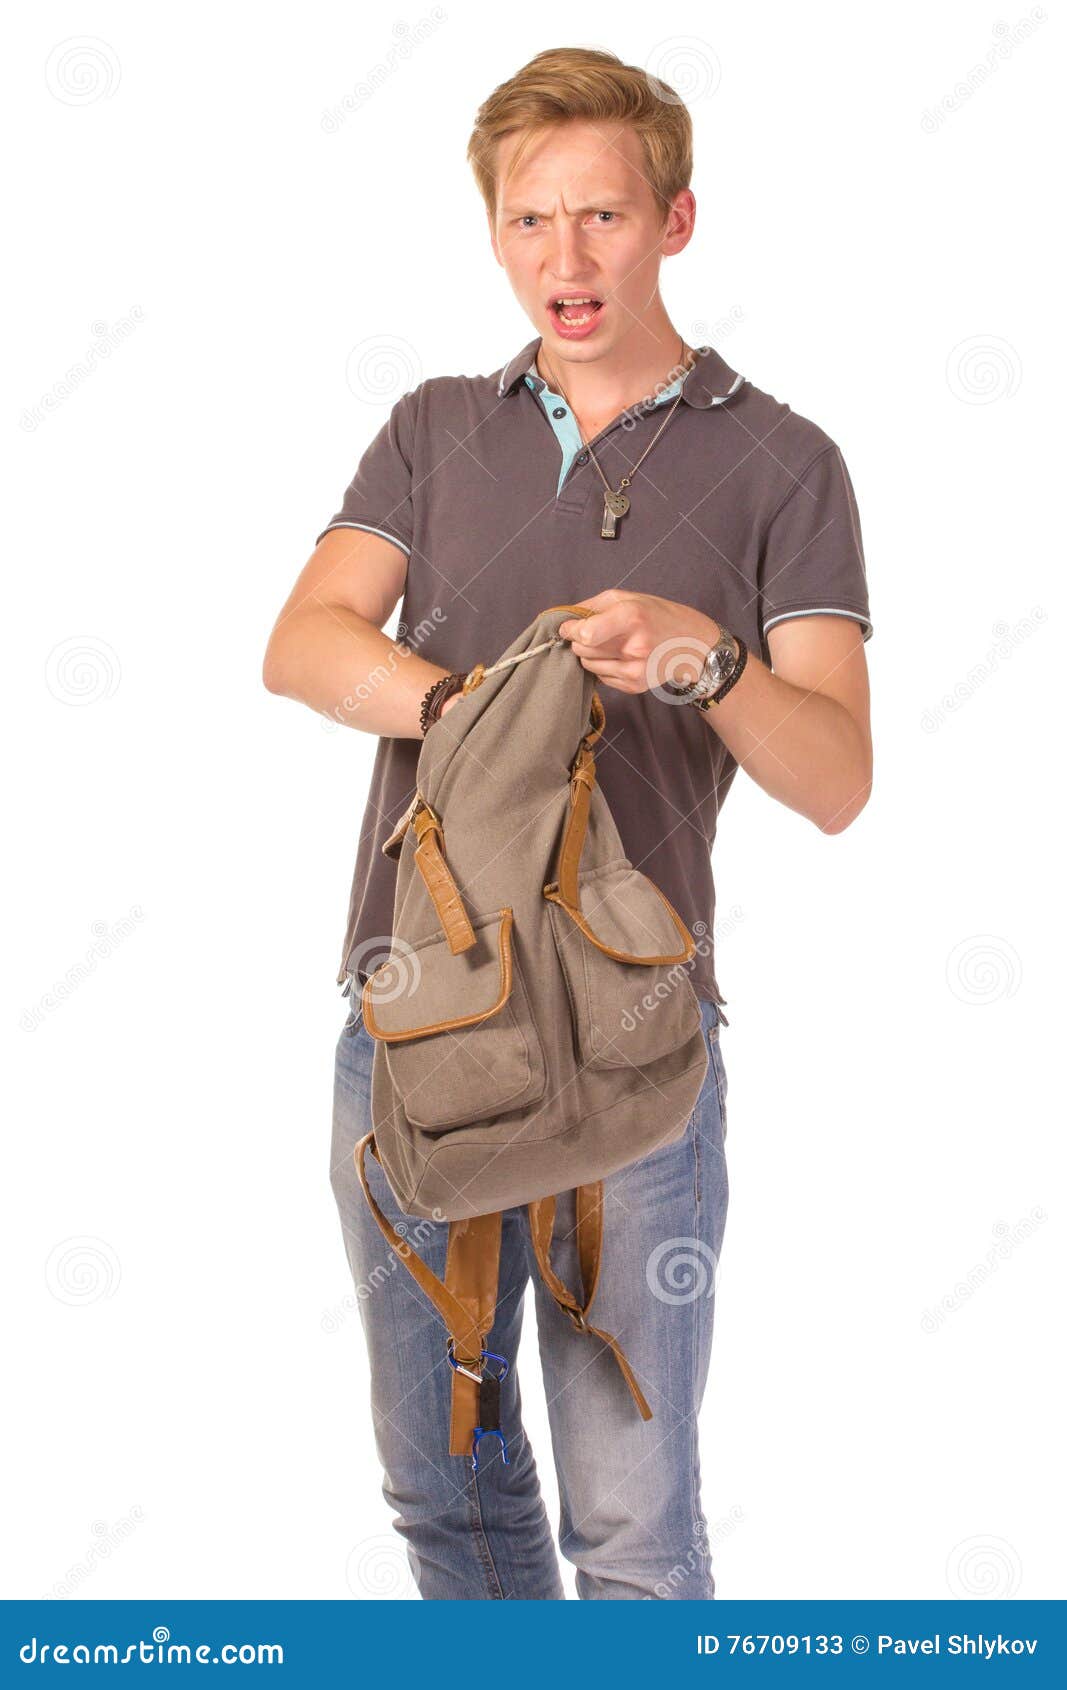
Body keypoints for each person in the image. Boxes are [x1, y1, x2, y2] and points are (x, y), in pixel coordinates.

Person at [263, 45, 873, 1600]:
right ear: (494, 232)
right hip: (416, 1021)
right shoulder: (434, 426)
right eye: (529, 220)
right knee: (442, 1486)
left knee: (633, 1527)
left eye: (602, 215)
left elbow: (835, 778)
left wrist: (705, 656)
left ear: (675, 220)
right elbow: (306, 643)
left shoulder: (784, 462)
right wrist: (483, 708)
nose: (566, 257)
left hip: (635, 1042)